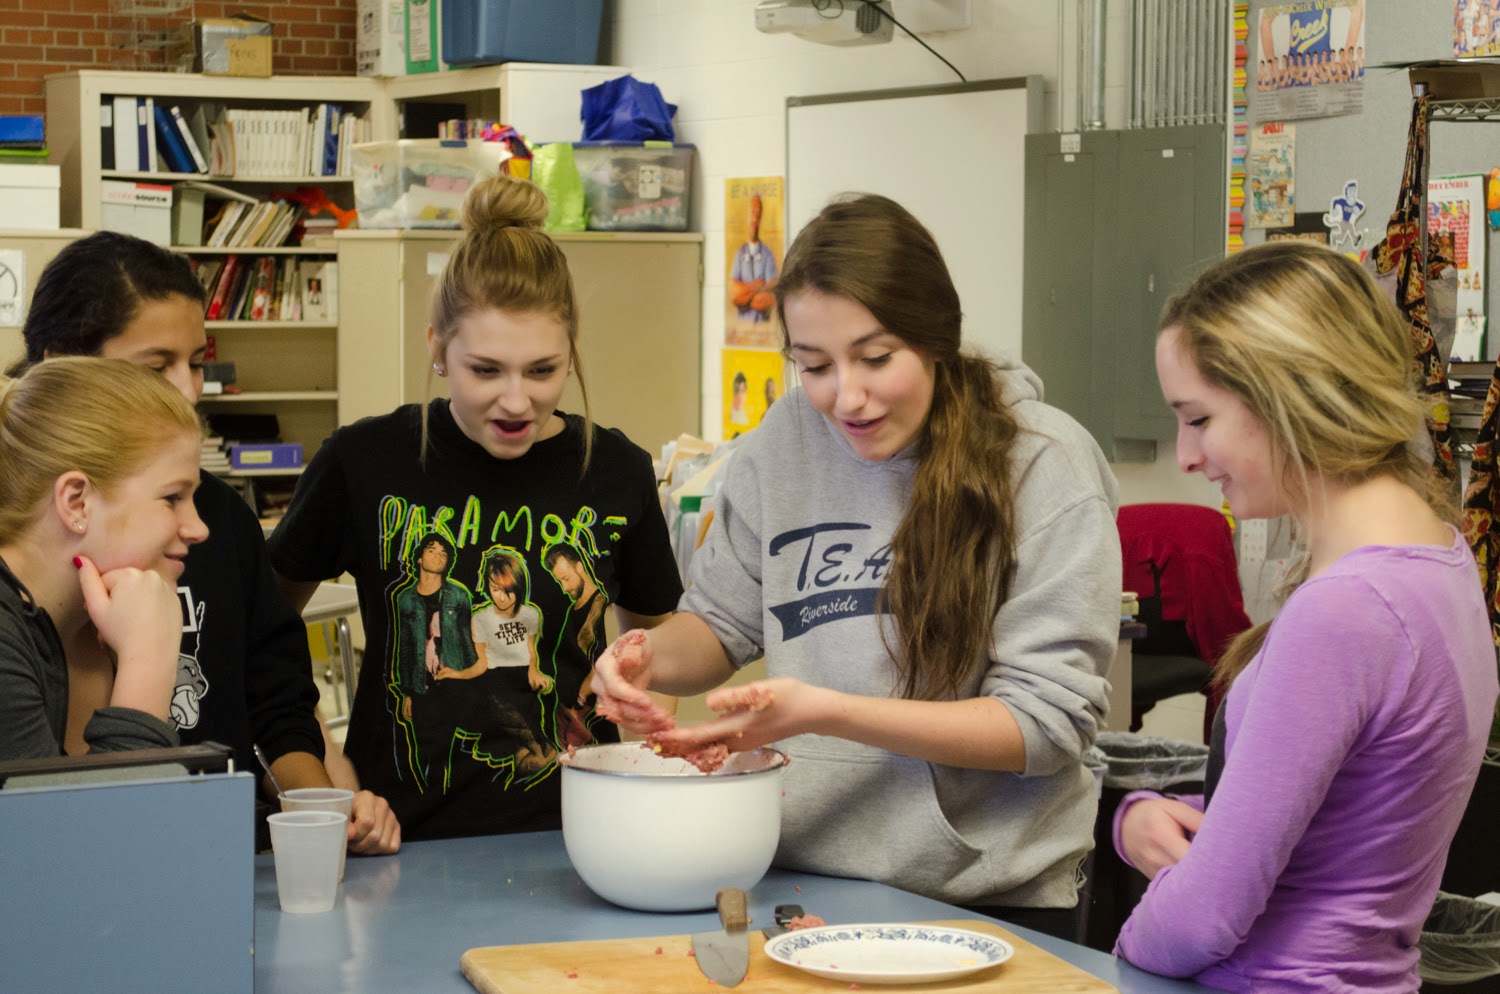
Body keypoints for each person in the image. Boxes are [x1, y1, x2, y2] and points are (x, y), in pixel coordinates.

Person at [591, 193, 1120, 938]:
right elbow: (717, 624)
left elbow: (1043, 728)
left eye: (875, 358)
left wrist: (825, 713)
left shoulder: (1044, 464)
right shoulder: (787, 439)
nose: (848, 396)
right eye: (814, 365)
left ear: (937, 337)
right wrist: (641, 658)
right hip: (800, 881)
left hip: (987, 900)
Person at [1113, 241, 1498, 992]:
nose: (1187, 456)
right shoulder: (1440, 560)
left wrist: (1119, 949)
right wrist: (1142, 816)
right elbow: (1334, 825)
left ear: (1288, 398)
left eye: (1199, 419)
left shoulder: (1345, 611)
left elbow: (1205, 917)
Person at [268, 174, 683, 841]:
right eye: (485, 370)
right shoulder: (363, 462)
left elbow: (658, 648)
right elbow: (262, 634)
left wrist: (644, 753)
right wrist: (327, 769)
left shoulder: (617, 471)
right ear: (437, 348)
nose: (515, 401)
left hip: (582, 834)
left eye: (542, 370)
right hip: (398, 836)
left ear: (572, 351)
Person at [12, 230, 400, 855]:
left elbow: (277, 699)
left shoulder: (215, 516)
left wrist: (322, 808)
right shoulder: (21, 617)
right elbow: (84, 854)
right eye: (156, 365)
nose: (189, 389)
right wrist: (144, 659)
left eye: (196, 361)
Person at [0, 358, 204, 760]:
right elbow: (102, 824)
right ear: (76, 502)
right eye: (172, 498)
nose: (198, 528)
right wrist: (146, 662)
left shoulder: (78, 630)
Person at [729, 193, 778, 324]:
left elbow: (770, 299)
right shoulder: (739, 254)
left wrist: (744, 294)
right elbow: (734, 296)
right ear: (746, 216)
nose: (755, 219)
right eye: (752, 213)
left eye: (758, 214)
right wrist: (757, 286)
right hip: (742, 332)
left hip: (763, 331)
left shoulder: (768, 255)